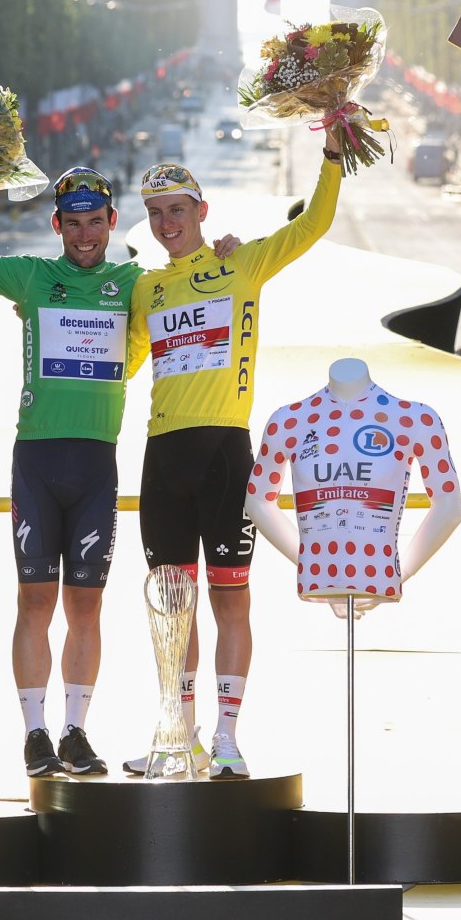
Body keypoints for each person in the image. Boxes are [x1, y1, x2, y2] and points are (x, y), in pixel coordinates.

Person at [0, 163, 235, 778]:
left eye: (95, 223)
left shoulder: (132, 284)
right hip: (37, 459)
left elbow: (194, 288)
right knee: (34, 601)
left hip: (97, 463)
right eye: (73, 225)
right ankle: (34, 735)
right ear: (56, 225)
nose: (84, 236)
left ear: (114, 223)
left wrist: (227, 251)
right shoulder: (32, 278)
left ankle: (74, 733)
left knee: (86, 608)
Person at [123, 124, 348, 780]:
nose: (167, 223)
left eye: (177, 211)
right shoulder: (146, 289)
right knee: (172, 606)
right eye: (156, 214)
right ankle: (178, 734)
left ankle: (226, 736)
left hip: (226, 452)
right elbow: (123, 363)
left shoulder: (240, 264)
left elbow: (313, 226)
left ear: (201, 211)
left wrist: (331, 154)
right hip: (162, 455)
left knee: (231, 599)